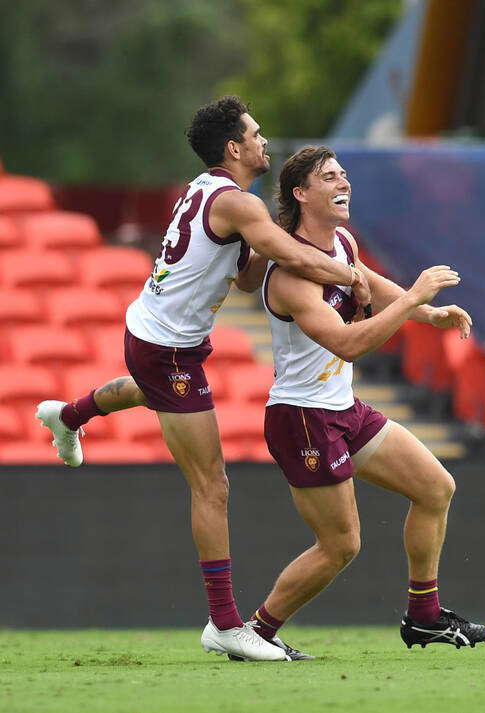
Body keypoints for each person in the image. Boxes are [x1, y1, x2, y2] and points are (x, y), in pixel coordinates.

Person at [35, 96, 372, 662]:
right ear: (234, 148)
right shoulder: (239, 204)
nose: (266, 142)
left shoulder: (213, 190)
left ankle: (68, 415)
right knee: (211, 486)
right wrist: (351, 275)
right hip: (167, 348)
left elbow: (243, 281)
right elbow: (303, 261)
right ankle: (225, 624)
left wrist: (277, 246)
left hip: (159, 338)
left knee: (148, 390)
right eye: (256, 134)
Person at [241, 145, 485, 655]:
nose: (343, 183)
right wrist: (417, 297)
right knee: (341, 546)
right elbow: (350, 342)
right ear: (301, 193)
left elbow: (372, 286)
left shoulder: (342, 243)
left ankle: (423, 616)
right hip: (304, 418)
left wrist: (431, 314)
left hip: (343, 409)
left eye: (344, 174)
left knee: (435, 488)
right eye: (330, 177)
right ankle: (255, 632)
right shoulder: (289, 274)